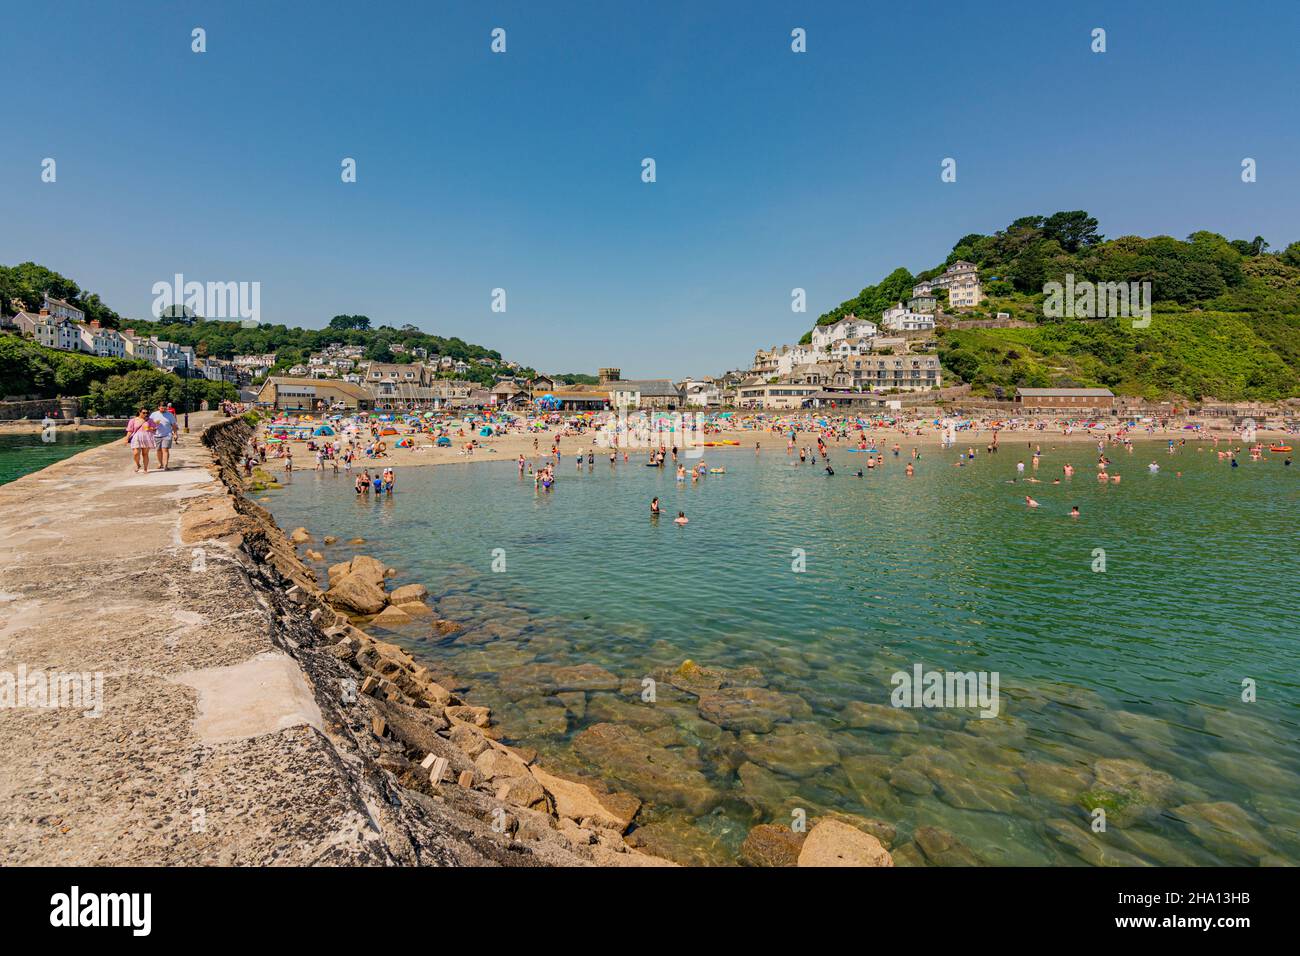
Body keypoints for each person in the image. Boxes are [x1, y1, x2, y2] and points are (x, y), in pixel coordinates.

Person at [126, 408, 155, 473]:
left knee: (145, 454)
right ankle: (138, 464)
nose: (145, 414)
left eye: (147, 413)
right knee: (136, 453)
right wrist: (127, 438)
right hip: (136, 438)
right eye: (143, 412)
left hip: (146, 437)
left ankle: (145, 469)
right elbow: (130, 430)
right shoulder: (133, 420)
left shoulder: (150, 420)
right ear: (139, 412)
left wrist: (150, 428)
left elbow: (154, 429)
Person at [150, 403, 174, 470]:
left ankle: (165, 465)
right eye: (161, 408)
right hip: (157, 434)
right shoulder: (154, 414)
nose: (163, 409)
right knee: (158, 450)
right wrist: (153, 427)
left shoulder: (170, 415)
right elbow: (149, 423)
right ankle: (160, 463)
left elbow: (174, 424)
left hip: (167, 434)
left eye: (164, 408)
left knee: (165, 449)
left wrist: (175, 433)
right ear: (158, 407)